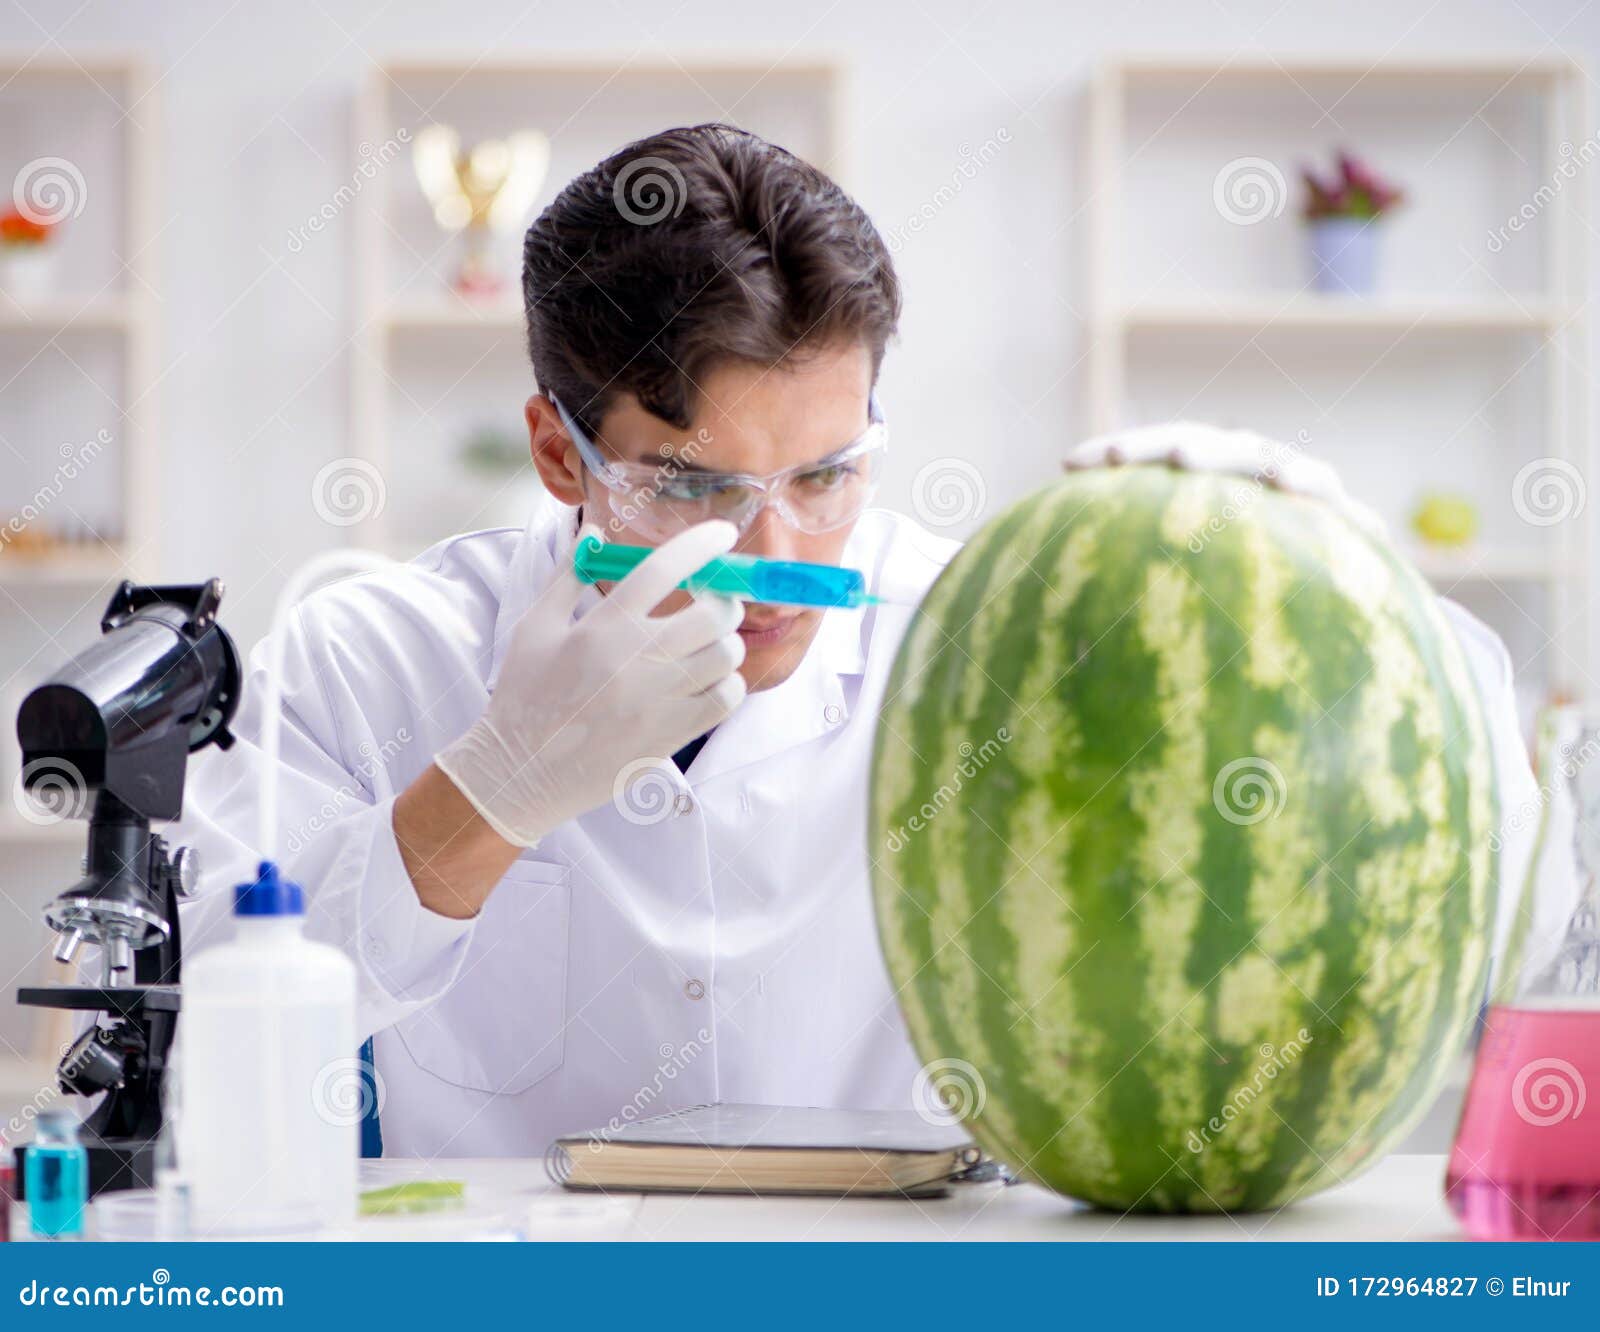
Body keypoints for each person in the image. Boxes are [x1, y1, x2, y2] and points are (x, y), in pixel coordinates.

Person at [175, 124, 1535, 1159]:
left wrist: (1341, 590)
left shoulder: (980, 639)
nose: (775, 561)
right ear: (555, 450)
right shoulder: (368, 654)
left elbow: (1486, 898)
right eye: (696, 487)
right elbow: (207, 1083)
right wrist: (492, 788)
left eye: (826, 477)